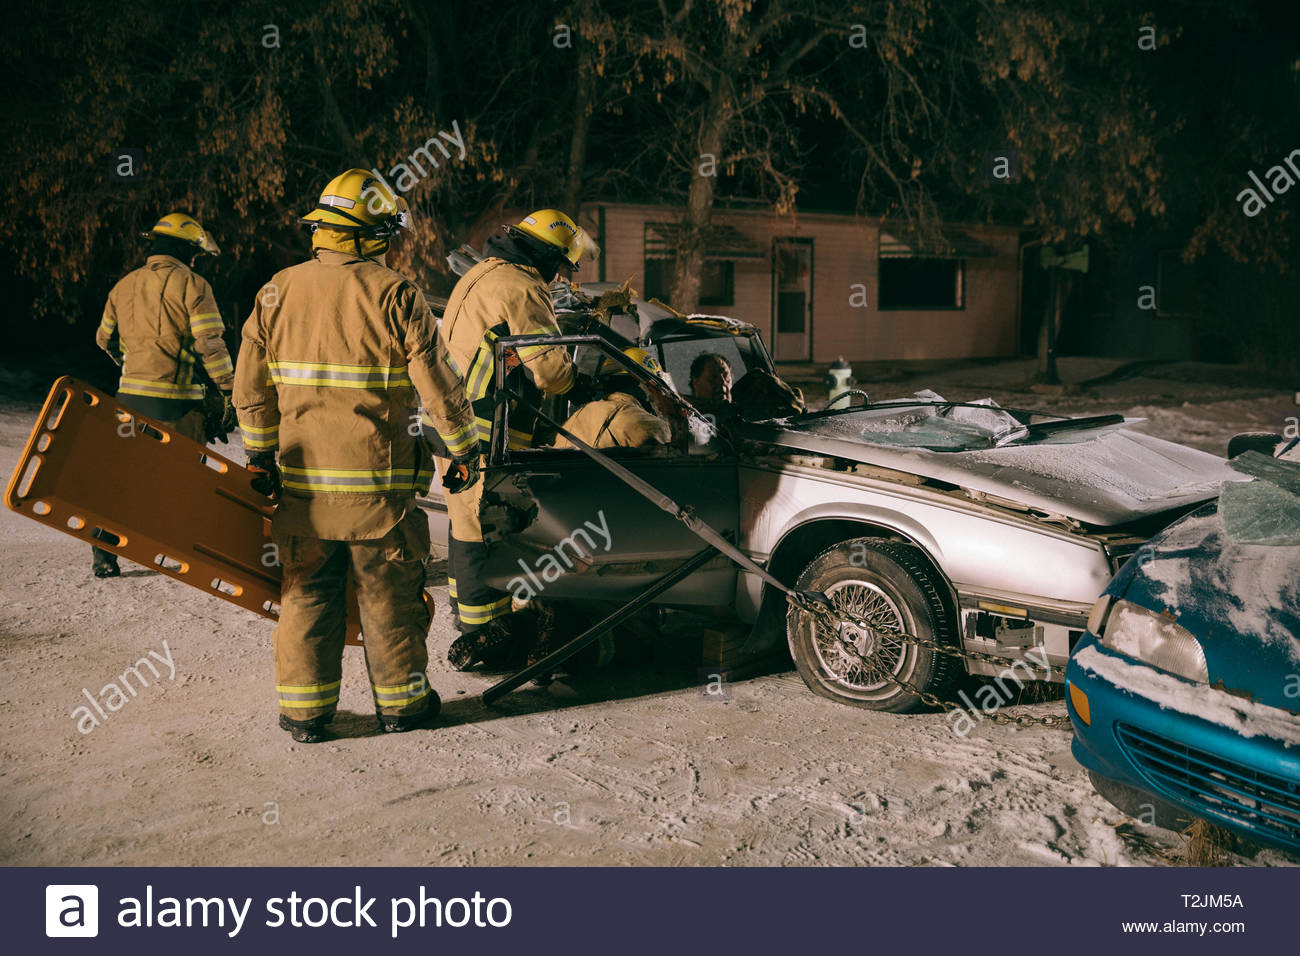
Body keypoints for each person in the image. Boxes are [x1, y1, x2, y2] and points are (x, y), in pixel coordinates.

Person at [234, 169, 480, 743]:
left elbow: (249, 386)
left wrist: (259, 455)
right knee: (389, 600)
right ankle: (403, 707)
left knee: (306, 599)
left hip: (304, 493)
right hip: (379, 496)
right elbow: (440, 387)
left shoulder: (276, 289)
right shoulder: (395, 293)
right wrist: (464, 451)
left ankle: (304, 715)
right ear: (371, 234)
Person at [437, 209, 597, 670]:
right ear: (548, 258)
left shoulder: (485, 272)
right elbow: (548, 371)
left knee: (464, 523)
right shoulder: (522, 286)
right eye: (561, 267)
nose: (558, 277)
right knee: (481, 533)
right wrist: (578, 382)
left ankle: (475, 628)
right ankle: (488, 642)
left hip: (452, 425)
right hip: (482, 432)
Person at [92, 212, 235, 578]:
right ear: (188, 251)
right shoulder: (194, 284)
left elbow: (104, 339)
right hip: (178, 403)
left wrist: (133, 365)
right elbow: (210, 345)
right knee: (184, 476)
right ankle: (182, 549)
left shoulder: (123, 285)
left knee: (126, 476)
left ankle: (104, 551)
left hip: (129, 399)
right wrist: (229, 389)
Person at [556, 348, 673, 450]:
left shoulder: (572, 421)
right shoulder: (650, 425)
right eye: (655, 387)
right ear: (642, 384)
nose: (658, 394)